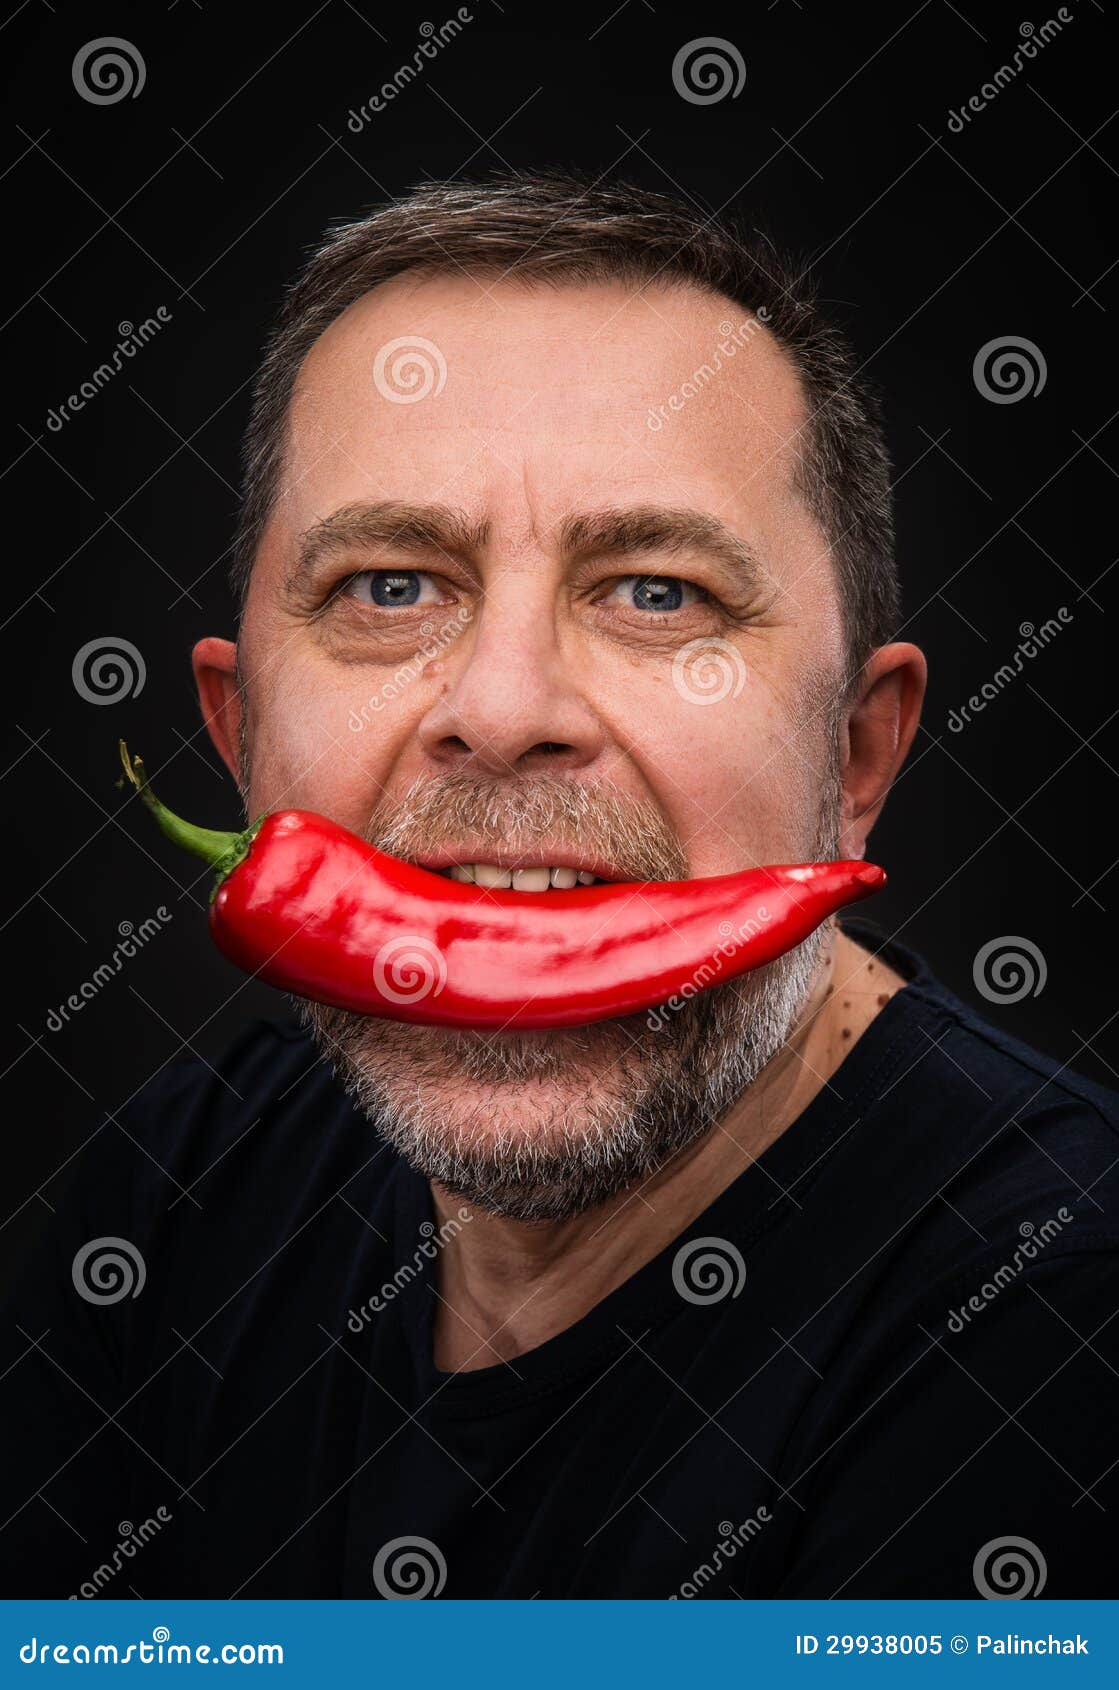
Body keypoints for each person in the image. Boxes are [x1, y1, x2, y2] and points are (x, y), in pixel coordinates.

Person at [3, 173, 1116, 1599]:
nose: (505, 705)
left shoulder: (1060, 1321)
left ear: (857, 751)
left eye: (657, 591)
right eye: (391, 585)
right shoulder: (171, 1204)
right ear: (240, 738)